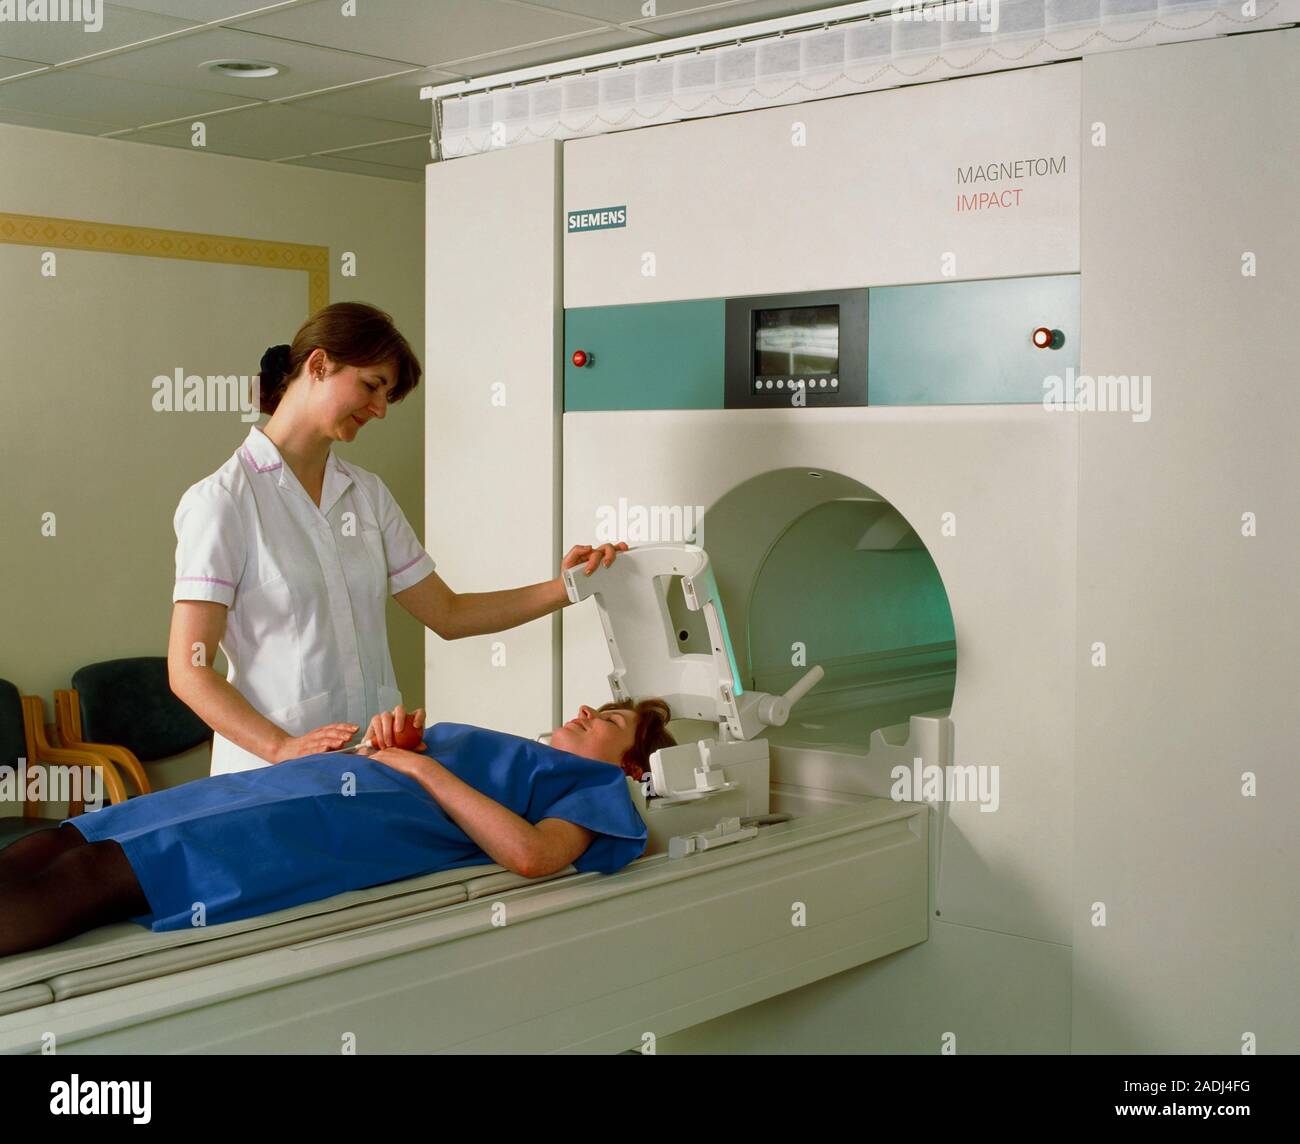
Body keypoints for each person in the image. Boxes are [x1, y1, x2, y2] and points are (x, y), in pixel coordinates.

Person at [168, 300, 628, 775]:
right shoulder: (223, 500)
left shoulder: (365, 494)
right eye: (372, 386)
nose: (381, 409)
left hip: (371, 765)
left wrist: (569, 586)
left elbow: (449, 614)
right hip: (268, 777)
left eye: (387, 394)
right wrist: (282, 747)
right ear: (319, 364)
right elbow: (189, 668)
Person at [0, 700, 676, 959]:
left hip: (328, 821)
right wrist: (404, 742)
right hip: (302, 781)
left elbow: (531, 855)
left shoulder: (597, 790)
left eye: (613, 721)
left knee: (101, 872)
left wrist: (420, 768)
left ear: (632, 765)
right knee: (71, 837)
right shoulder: (532, 749)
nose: (591, 709)